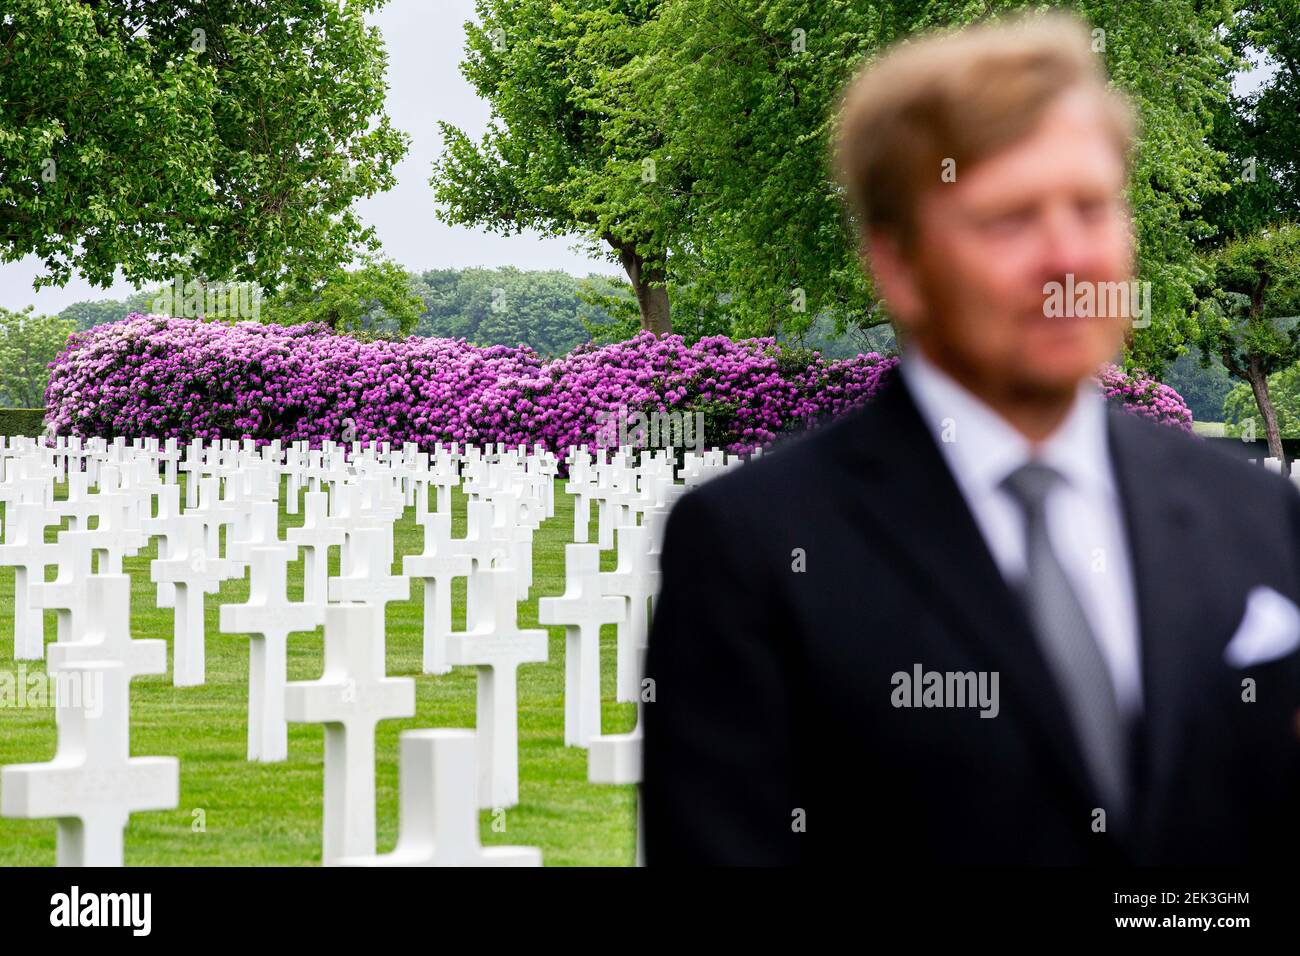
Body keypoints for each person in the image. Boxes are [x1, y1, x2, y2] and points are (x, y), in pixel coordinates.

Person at [642, 11, 1300, 865]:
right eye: (1010, 218)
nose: (1070, 260)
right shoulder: (755, 549)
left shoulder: (1248, 512)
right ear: (899, 266)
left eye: (1093, 208)